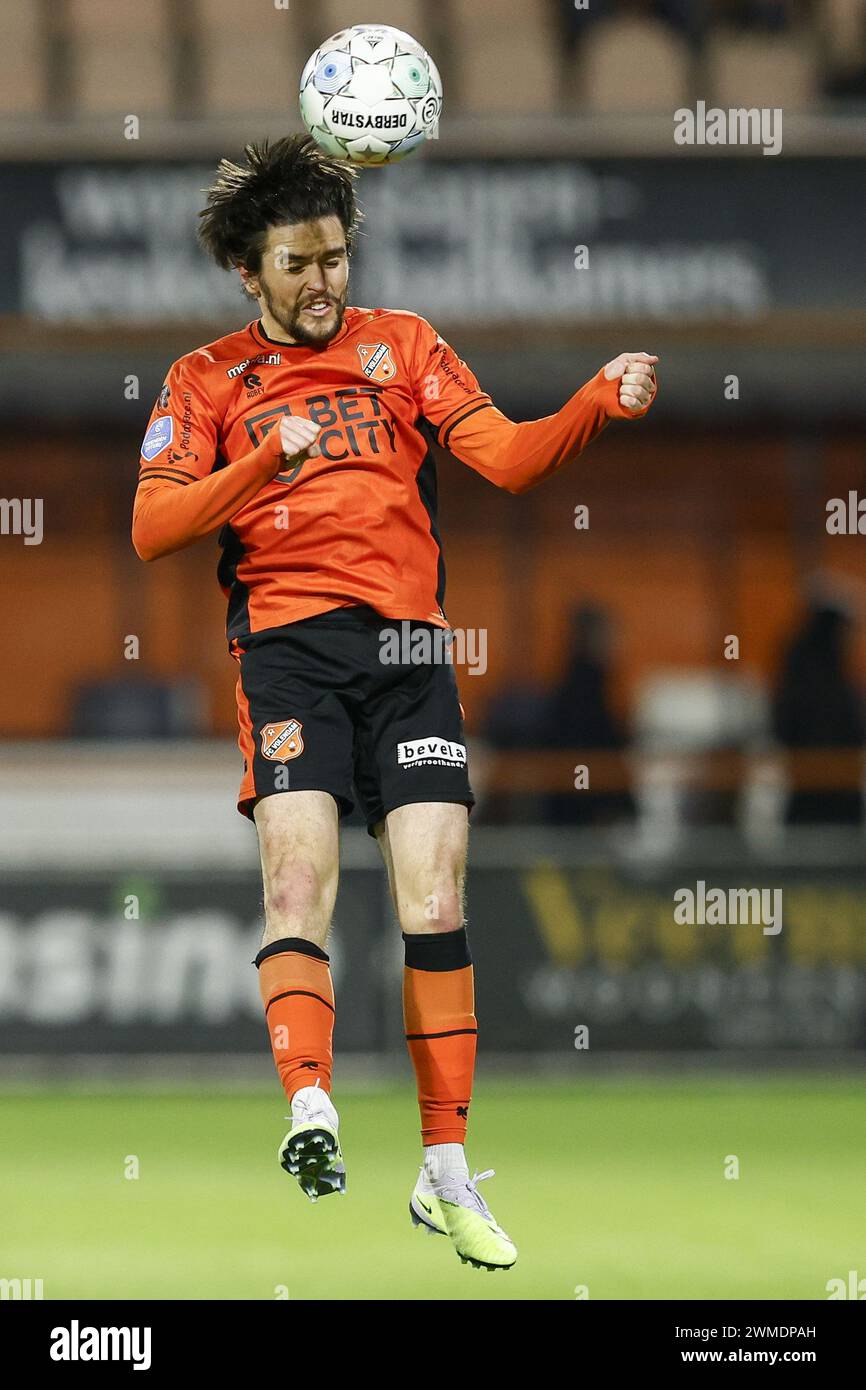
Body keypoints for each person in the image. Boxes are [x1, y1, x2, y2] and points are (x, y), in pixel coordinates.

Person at [131, 134, 658, 1271]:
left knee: (433, 899)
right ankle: (311, 1105)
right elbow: (154, 527)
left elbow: (508, 461)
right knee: (297, 880)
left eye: (335, 257)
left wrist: (592, 403)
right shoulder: (204, 379)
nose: (323, 282)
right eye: (297, 263)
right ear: (247, 271)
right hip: (286, 656)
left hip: (412, 654)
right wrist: (262, 461)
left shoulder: (405, 346)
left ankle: (445, 1173)